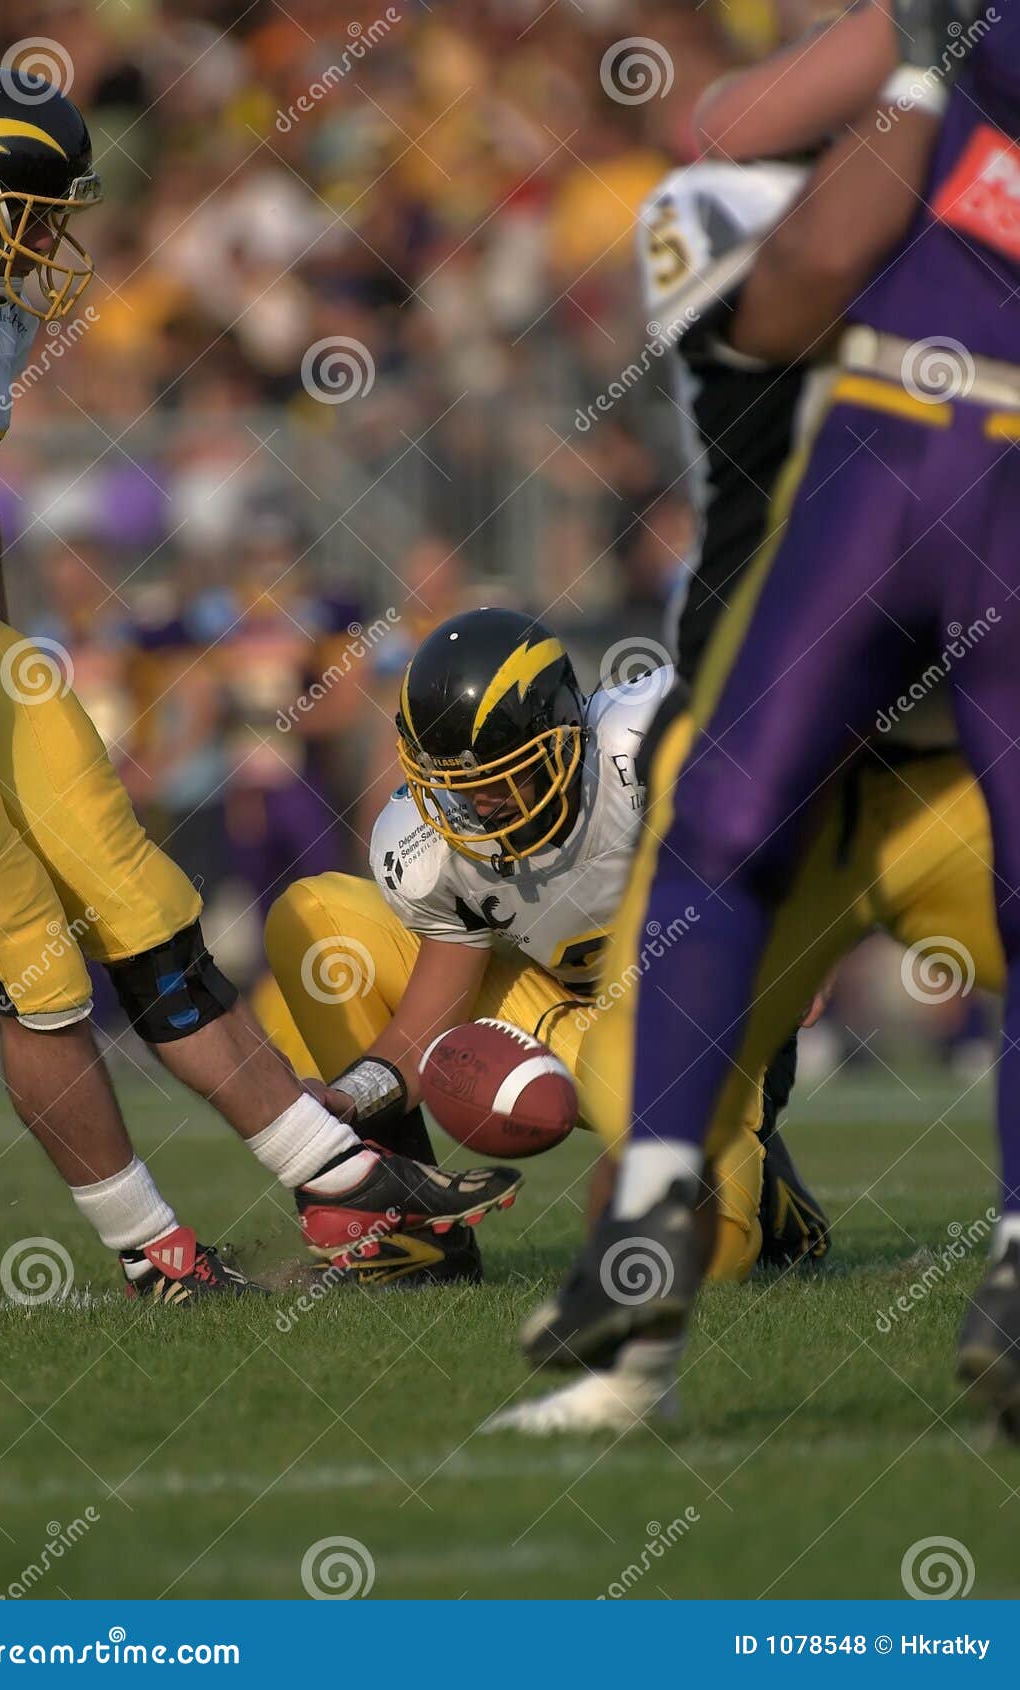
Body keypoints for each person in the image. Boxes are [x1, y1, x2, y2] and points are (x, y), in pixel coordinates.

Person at [515, 2, 1020, 1433]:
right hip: (928, 676)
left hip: (902, 570)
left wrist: (916, 64)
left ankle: (646, 1241)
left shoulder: (867, 203)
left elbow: (773, 200)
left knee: (711, 844)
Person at [0, 65, 521, 1302]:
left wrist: (3, 634)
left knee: (146, 908)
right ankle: (154, 1250)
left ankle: (339, 1182)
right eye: (38, 207)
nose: (53, 238)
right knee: (37, 977)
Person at [264, 604, 828, 1288]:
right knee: (317, 916)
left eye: (498, 777)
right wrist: (350, 1100)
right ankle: (411, 1234)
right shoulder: (429, 842)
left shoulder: (657, 737)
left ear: (562, 737)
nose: (478, 807)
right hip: (557, 1012)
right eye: (454, 784)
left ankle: (757, 1179)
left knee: (678, 1265)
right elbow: (424, 1029)